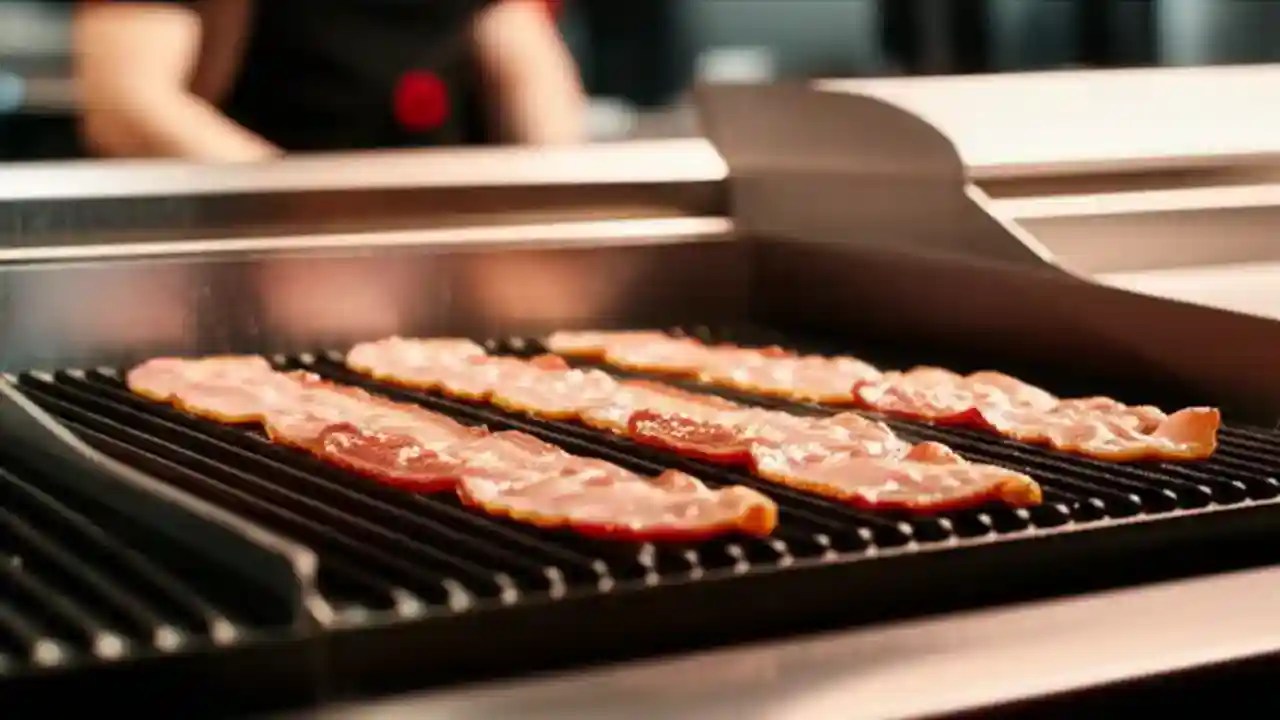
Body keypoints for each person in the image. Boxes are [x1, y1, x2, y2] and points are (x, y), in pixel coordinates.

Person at [71, 0, 588, 161]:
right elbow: (128, 108)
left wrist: (559, 193)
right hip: (247, 249)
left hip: (431, 245)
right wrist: (316, 213)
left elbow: (514, 43)